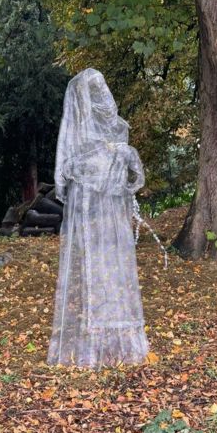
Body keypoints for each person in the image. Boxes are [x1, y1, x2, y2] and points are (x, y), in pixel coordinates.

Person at [47, 68, 150, 368]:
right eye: (97, 91)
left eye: (103, 89)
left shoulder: (114, 127)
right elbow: (74, 159)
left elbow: (120, 158)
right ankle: (93, 338)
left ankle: (116, 337)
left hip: (112, 212)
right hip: (91, 206)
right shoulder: (82, 131)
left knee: (112, 268)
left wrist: (123, 157)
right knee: (91, 266)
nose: (104, 96)